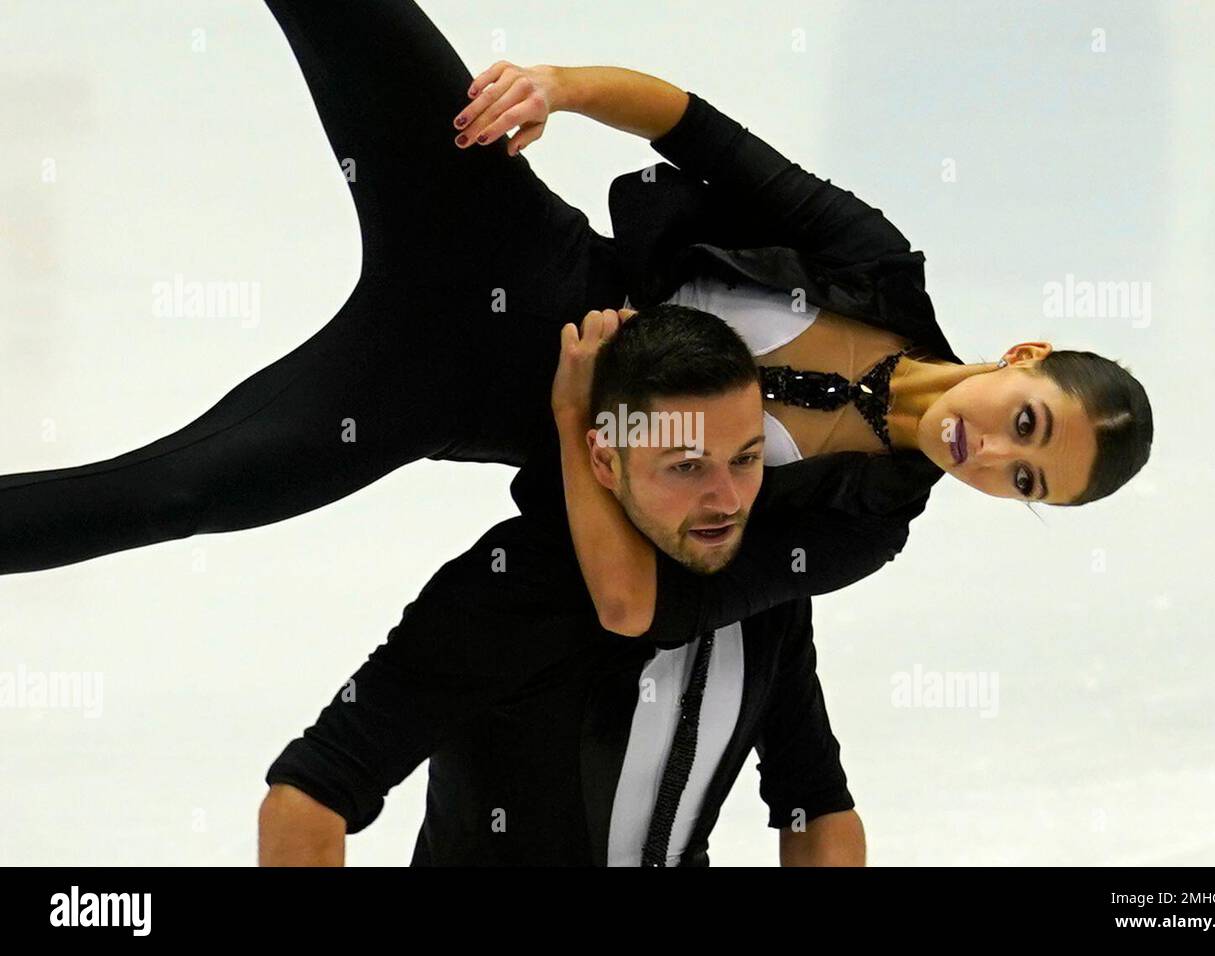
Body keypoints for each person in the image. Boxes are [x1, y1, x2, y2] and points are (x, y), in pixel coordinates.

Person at [2, 0, 1153, 644]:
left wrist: (568, 421)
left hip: (433, 392)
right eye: (1029, 423)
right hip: (489, 225)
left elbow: (636, 606)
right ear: (1024, 357)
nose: (994, 454)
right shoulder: (872, 266)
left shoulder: (857, 529)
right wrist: (555, 84)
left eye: (1028, 480)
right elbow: (696, 129)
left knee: (175, 495)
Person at [259, 306, 862, 866]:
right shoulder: (513, 586)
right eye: (686, 467)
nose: (726, 501)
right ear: (604, 461)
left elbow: (816, 806)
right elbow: (308, 796)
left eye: (745, 459)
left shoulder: (760, 593)